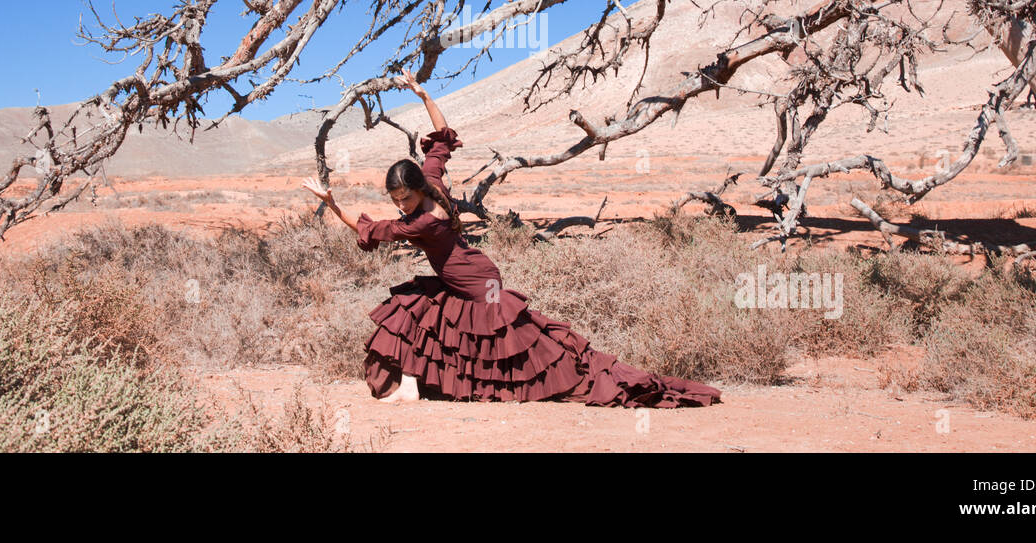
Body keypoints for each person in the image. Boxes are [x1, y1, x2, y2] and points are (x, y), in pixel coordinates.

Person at [301, 70, 722, 408]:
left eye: (404, 198)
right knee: (417, 311)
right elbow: (442, 137)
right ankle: (412, 387)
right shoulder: (430, 182)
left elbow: (371, 231)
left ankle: (550, 379)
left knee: (514, 341)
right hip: (470, 271)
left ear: (415, 189)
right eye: (395, 200)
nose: (401, 206)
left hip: (472, 280)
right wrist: (422, 94)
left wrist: (333, 204)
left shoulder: (423, 222)